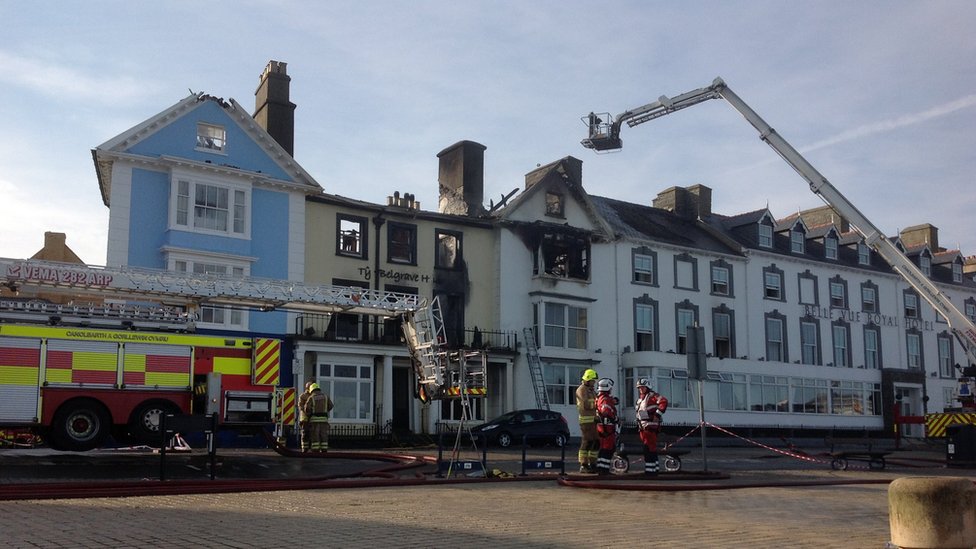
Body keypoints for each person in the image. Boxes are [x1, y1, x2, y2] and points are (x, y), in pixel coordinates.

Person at [635, 378, 668, 476]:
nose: (641, 389)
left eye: (642, 387)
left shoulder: (653, 396)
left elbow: (664, 401)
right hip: (643, 427)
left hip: (650, 426)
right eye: (639, 388)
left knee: (649, 449)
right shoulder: (641, 399)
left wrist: (657, 415)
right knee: (650, 448)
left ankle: (650, 471)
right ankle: (654, 468)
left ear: (648, 387)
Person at [576, 368, 599, 473]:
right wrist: (598, 403)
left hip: (594, 421)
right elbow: (585, 404)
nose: (594, 382)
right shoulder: (581, 390)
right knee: (587, 442)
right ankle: (583, 465)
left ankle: (593, 463)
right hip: (586, 421)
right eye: (593, 380)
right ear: (588, 379)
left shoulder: (591, 390)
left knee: (595, 442)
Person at [594, 378, 619, 475]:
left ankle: (601, 467)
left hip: (601, 426)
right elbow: (606, 411)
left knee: (603, 448)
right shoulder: (605, 399)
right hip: (607, 427)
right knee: (608, 448)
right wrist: (615, 419)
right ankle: (604, 470)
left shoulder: (599, 397)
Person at [303, 383, 334, 453]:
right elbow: (331, 406)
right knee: (323, 435)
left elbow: (307, 409)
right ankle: (324, 450)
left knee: (315, 435)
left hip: (314, 420)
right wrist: (325, 411)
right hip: (324, 420)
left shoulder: (311, 398)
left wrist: (309, 414)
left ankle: (315, 450)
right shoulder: (326, 397)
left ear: (311, 390)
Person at [297, 380, 314, 453]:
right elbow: (300, 406)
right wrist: (307, 412)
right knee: (305, 434)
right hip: (305, 418)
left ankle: (311, 448)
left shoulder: (313, 395)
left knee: (312, 434)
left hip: (312, 418)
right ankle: (304, 448)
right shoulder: (303, 396)